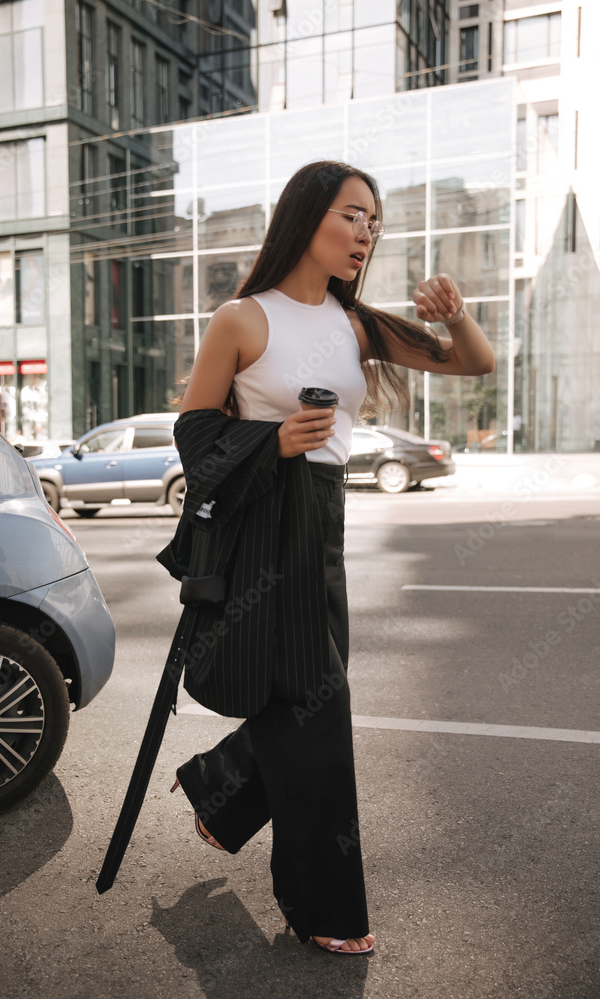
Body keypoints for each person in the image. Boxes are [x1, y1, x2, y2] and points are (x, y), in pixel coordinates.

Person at [169, 160, 495, 955]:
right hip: (264, 524)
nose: (364, 233)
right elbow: (192, 433)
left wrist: (457, 317)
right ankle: (324, 908)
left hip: (323, 523)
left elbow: (472, 363)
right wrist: (270, 439)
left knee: (306, 696)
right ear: (308, 215)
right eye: (352, 215)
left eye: (373, 223)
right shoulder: (242, 318)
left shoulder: (355, 325)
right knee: (319, 704)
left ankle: (222, 792)